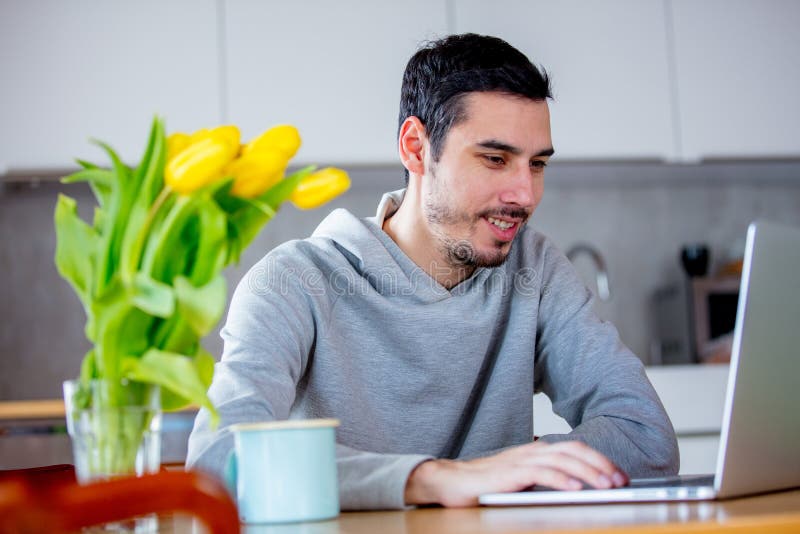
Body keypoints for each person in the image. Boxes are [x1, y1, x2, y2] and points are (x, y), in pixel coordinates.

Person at [186, 33, 679, 510]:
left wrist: (507, 468)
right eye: (495, 158)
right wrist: (436, 478)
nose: (525, 195)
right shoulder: (294, 281)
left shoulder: (536, 268)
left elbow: (645, 439)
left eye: (537, 165)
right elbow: (218, 461)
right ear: (416, 148)